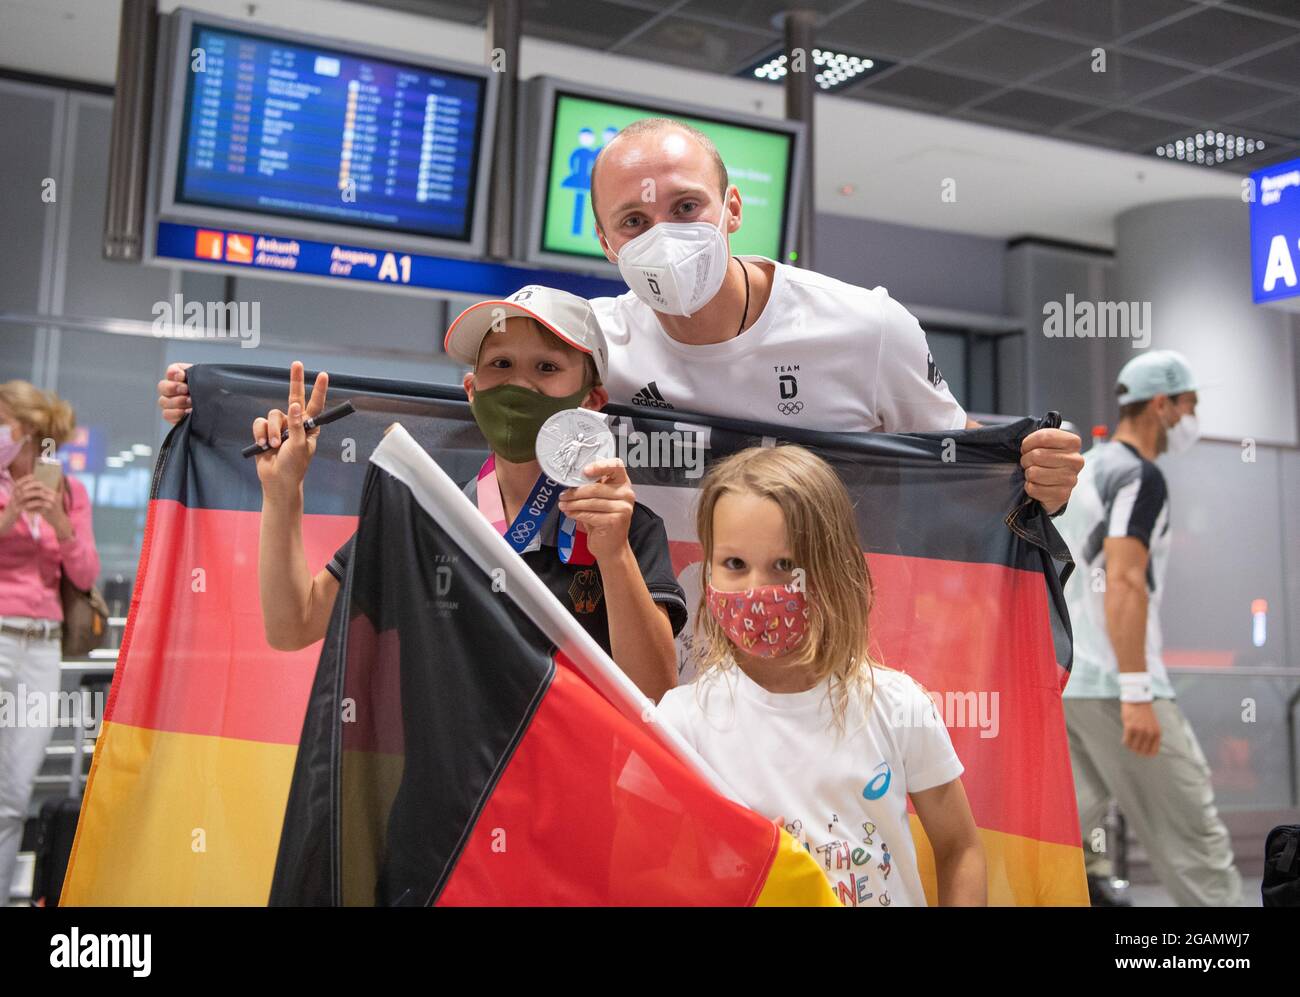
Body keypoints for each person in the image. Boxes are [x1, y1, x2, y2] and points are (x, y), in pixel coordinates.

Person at [158, 117, 1082, 516]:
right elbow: (477, 413)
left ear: (731, 211)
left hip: (819, 670)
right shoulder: (591, 345)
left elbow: (960, 466)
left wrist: (1036, 470)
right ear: (605, 244)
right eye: (633, 222)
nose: (662, 235)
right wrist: (219, 405)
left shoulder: (867, 327)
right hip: (651, 669)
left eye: (685, 207)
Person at [254, 286, 684, 702]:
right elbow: (293, 625)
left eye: (546, 368)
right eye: (500, 364)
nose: (519, 385)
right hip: (445, 777)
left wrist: (614, 556)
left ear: (591, 401)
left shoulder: (631, 529)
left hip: (571, 776)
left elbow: (655, 694)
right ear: (471, 390)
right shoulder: (424, 516)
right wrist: (281, 492)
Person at [656, 445, 986, 907]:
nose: (756, 590)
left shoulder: (897, 705)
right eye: (735, 564)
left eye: (784, 565)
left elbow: (960, 847)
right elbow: (655, 872)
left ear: (834, 568)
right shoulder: (681, 722)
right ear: (707, 568)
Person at [1055, 350, 1242, 907]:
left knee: (1059, 834)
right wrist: (1137, 691)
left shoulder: (1083, 469)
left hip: (1069, 683)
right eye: (1190, 404)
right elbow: (1125, 581)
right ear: (1161, 405)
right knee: (1195, 845)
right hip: (1120, 687)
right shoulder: (1140, 476)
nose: (1193, 417)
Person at [0, 381, 99, 905]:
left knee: (15, 796)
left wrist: (61, 525)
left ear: (32, 431)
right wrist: (11, 515)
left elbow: (85, 574)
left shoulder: (69, 492)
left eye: (6, 422)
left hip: (42, 648)